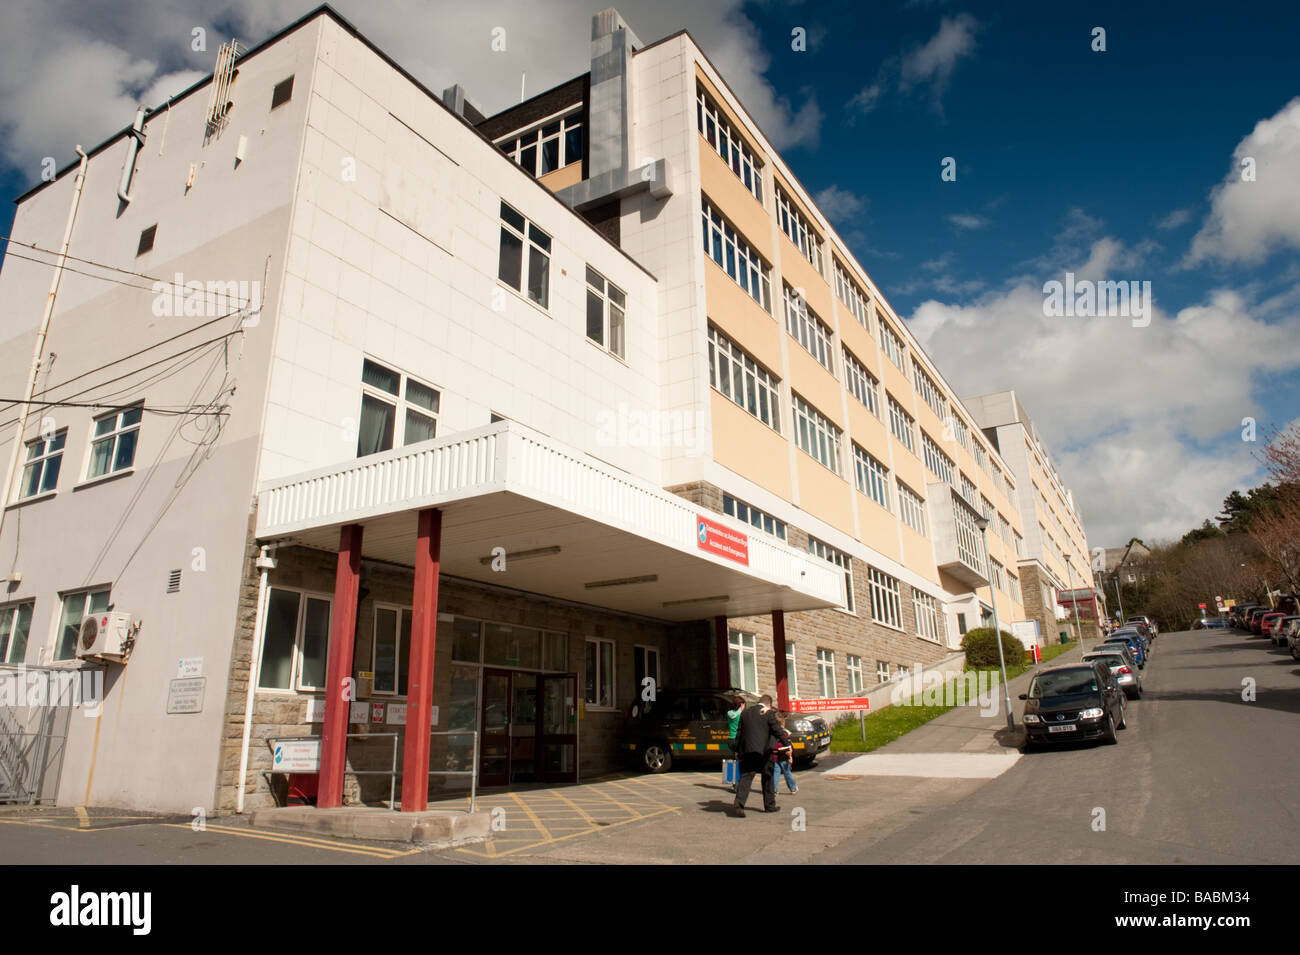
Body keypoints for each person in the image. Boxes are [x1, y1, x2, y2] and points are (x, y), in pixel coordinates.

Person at [730, 694, 789, 817]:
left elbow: (739, 733)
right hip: (764, 752)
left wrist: (737, 749)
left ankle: (739, 804)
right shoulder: (768, 714)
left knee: (746, 778)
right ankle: (769, 806)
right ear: (769, 704)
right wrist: (788, 745)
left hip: (747, 751)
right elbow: (777, 730)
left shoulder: (745, 713)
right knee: (768, 778)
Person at [770, 711, 797, 794]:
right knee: (787, 772)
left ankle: (774, 789)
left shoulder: (772, 733)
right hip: (784, 755)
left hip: (774, 755)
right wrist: (790, 757)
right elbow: (789, 746)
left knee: (776, 772)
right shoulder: (785, 733)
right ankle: (793, 788)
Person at [725, 695, 746, 794]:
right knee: (738, 762)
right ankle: (737, 786)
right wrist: (741, 710)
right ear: (740, 705)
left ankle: (733, 783)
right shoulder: (736, 714)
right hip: (736, 739)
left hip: (732, 739)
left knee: (734, 761)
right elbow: (735, 716)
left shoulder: (732, 713)